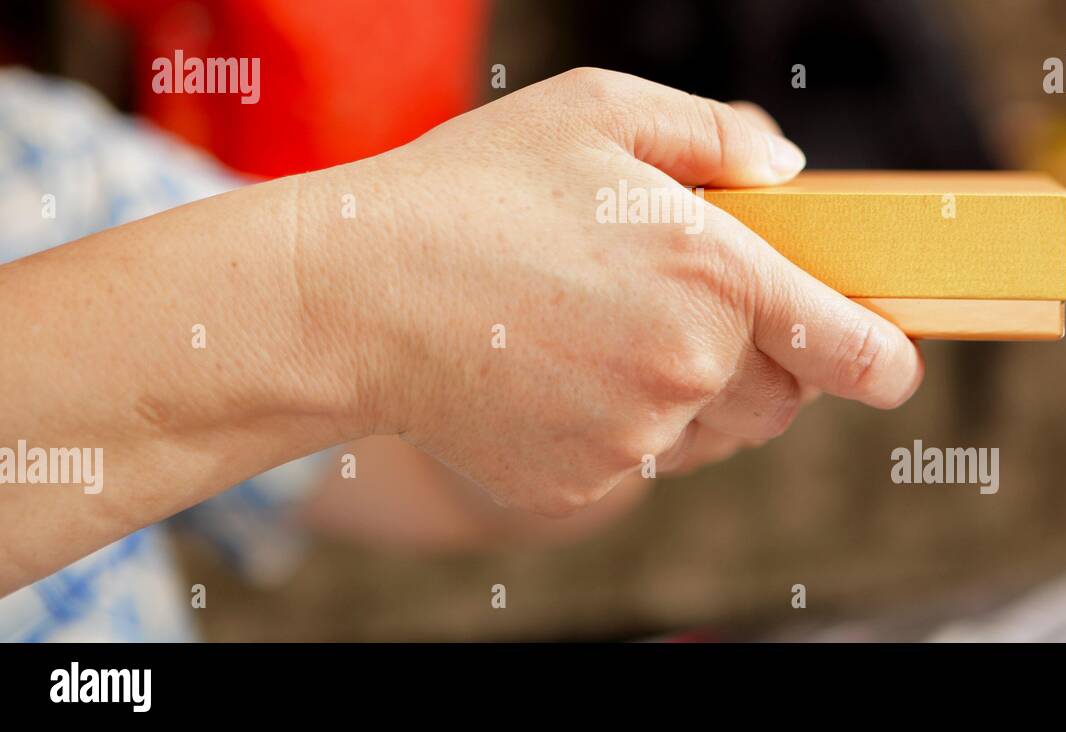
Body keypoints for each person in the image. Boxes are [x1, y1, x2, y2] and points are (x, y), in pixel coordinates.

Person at [0, 65, 923, 638]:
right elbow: (345, 326)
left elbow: (425, 471)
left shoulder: (45, 154)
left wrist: (625, 338)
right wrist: (369, 292)